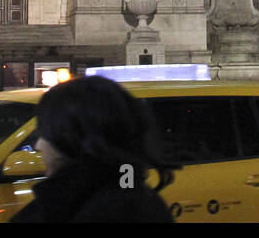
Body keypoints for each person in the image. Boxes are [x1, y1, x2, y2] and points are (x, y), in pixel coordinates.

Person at [11, 76, 177, 223]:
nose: (38, 145)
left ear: (73, 137)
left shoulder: (104, 211)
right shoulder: (133, 197)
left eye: (45, 133)